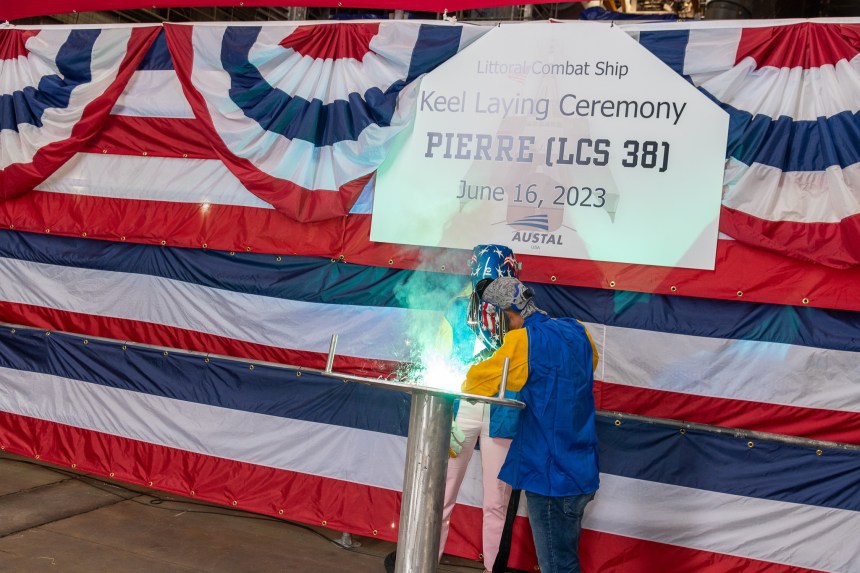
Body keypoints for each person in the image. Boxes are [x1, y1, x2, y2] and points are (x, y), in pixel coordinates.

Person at [461, 276, 599, 573]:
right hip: (581, 470)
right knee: (565, 560)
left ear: (504, 313)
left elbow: (476, 384)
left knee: (557, 567)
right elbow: (588, 367)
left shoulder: (522, 342)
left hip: (550, 477)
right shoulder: (578, 330)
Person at [439, 245, 521, 573]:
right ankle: (422, 560)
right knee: (439, 494)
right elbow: (440, 358)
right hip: (462, 408)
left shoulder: (519, 313)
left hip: (501, 412)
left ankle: (492, 569)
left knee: (496, 503)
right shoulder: (457, 307)